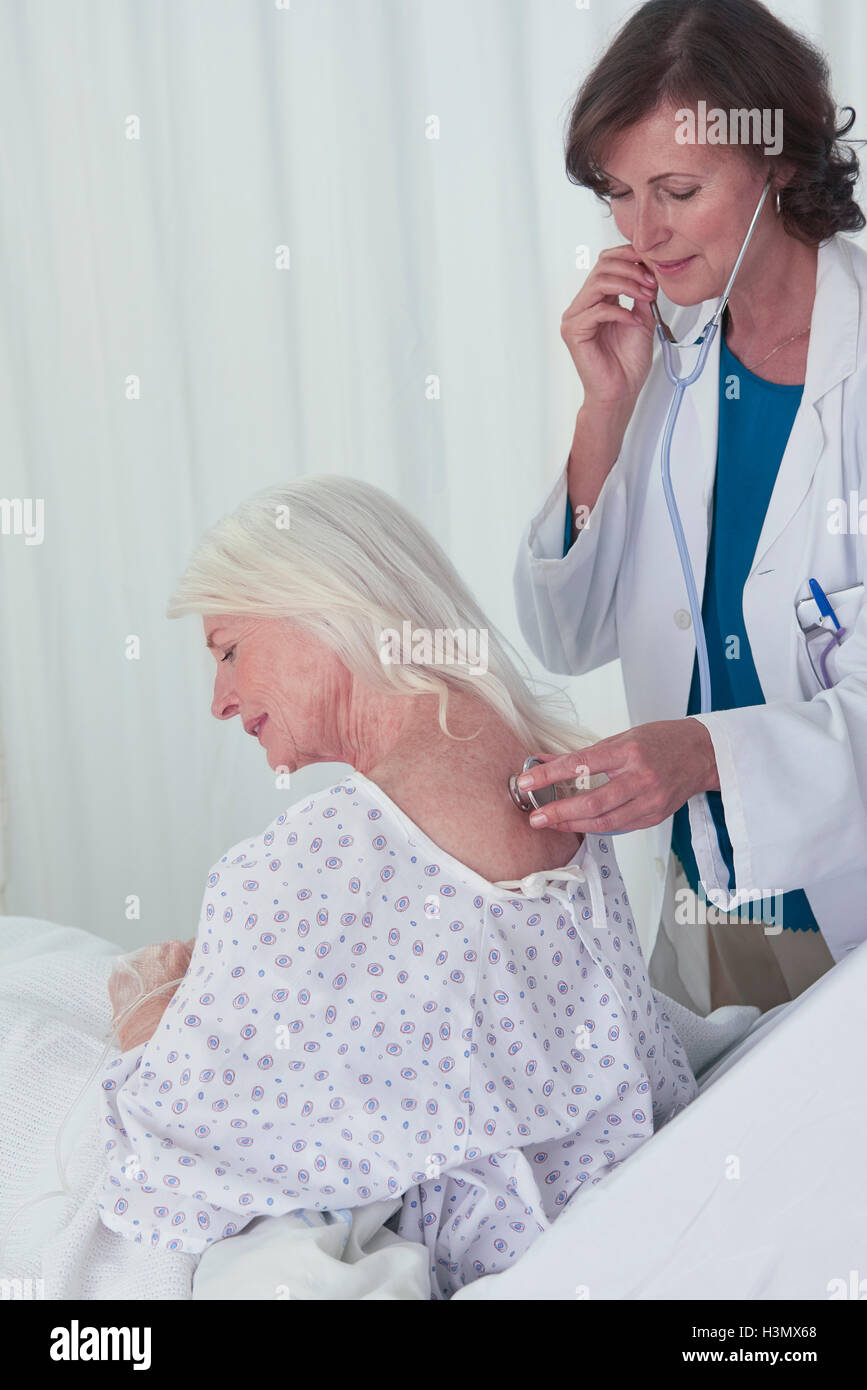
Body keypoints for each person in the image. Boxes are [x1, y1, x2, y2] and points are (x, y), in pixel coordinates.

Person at [95, 475, 697, 1300]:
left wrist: (144, 1016)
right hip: (622, 1214)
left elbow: (168, 1164)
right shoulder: (540, 769)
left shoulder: (320, 857)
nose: (220, 700)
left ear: (322, 603)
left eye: (229, 649)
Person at [513, 0, 867, 1015]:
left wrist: (707, 751)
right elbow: (566, 632)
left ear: (783, 164)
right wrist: (605, 410)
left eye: (677, 189)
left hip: (842, 895)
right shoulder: (670, 360)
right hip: (709, 885)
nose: (641, 233)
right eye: (620, 194)